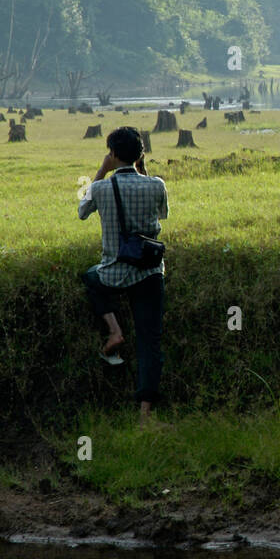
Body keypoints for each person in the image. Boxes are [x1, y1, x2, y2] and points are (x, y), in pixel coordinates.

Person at [78, 127, 168, 427]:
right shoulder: (157, 185)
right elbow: (163, 214)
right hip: (150, 273)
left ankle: (114, 330)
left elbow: (81, 211)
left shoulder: (102, 188)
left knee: (90, 277)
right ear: (141, 155)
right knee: (150, 342)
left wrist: (101, 171)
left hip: (114, 272)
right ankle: (145, 414)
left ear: (112, 154)